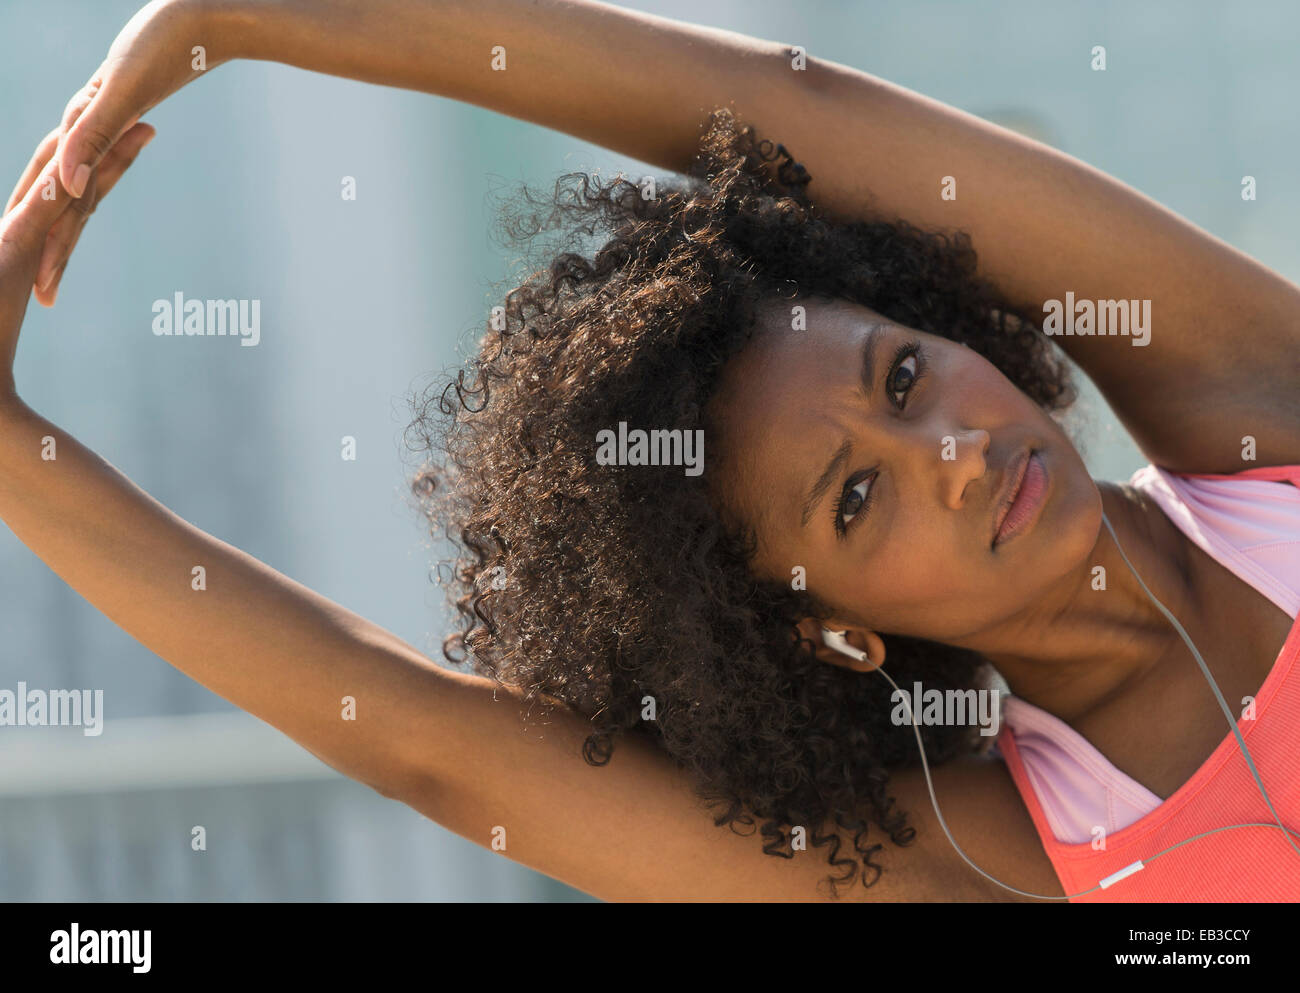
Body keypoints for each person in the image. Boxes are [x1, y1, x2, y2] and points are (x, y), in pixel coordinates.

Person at [4, 0, 1299, 902]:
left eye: (902, 374)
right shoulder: (1000, 862)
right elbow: (431, 746)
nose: (955, 450)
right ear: (831, 633)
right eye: (855, 500)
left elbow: (790, 110)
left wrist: (252, 14)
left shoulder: (1262, 414)